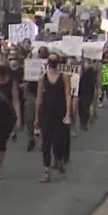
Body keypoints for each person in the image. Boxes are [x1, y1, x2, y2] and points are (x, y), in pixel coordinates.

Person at [36, 54, 73, 182]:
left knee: (59, 141)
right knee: (46, 143)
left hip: (60, 112)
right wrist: (37, 117)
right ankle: (47, 171)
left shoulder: (64, 77)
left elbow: (68, 95)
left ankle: (59, 159)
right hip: (46, 113)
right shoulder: (42, 78)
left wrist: (68, 113)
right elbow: (39, 98)